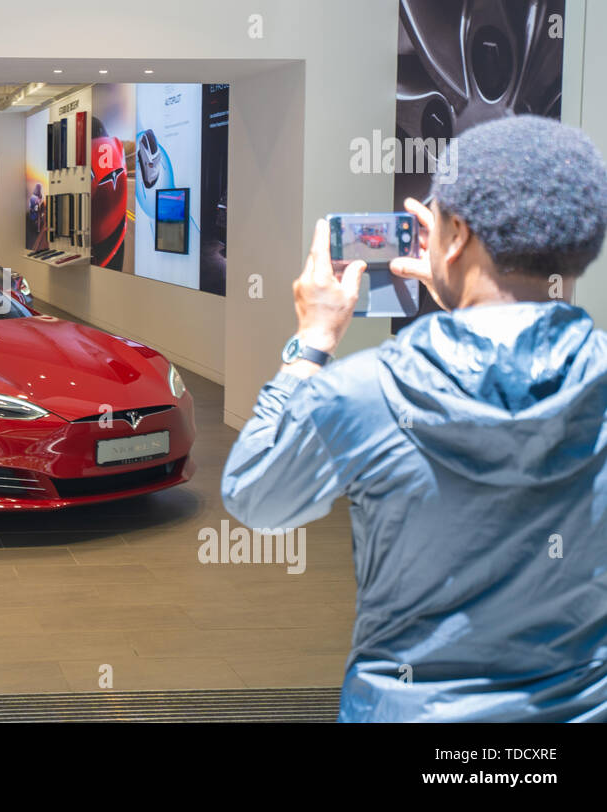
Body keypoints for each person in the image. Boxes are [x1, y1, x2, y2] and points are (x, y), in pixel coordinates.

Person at [221, 115, 607, 722]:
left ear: (454, 235)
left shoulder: (367, 389)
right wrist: (464, 288)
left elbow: (256, 497)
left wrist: (312, 344)